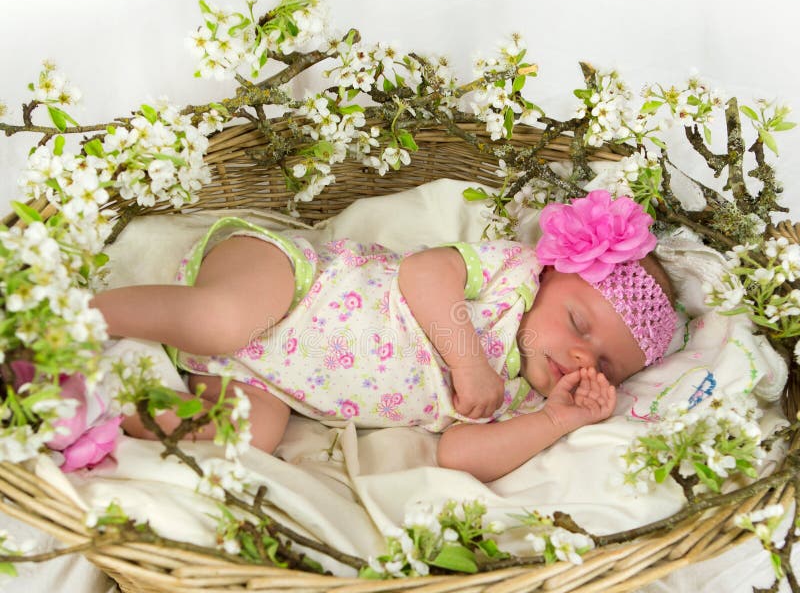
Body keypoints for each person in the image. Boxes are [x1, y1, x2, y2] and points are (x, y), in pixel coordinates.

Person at [90, 189, 677, 482]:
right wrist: (469, 363)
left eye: (607, 364)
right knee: (219, 322)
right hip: (288, 283)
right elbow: (424, 274)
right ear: (551, 275)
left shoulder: (525, 401)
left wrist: (557, 420)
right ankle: (80, 315)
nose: (582, 354)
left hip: (268, 380)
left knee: (249, 439)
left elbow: (455, 454)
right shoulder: (512, 277)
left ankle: (101, 416)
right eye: (579, 323)